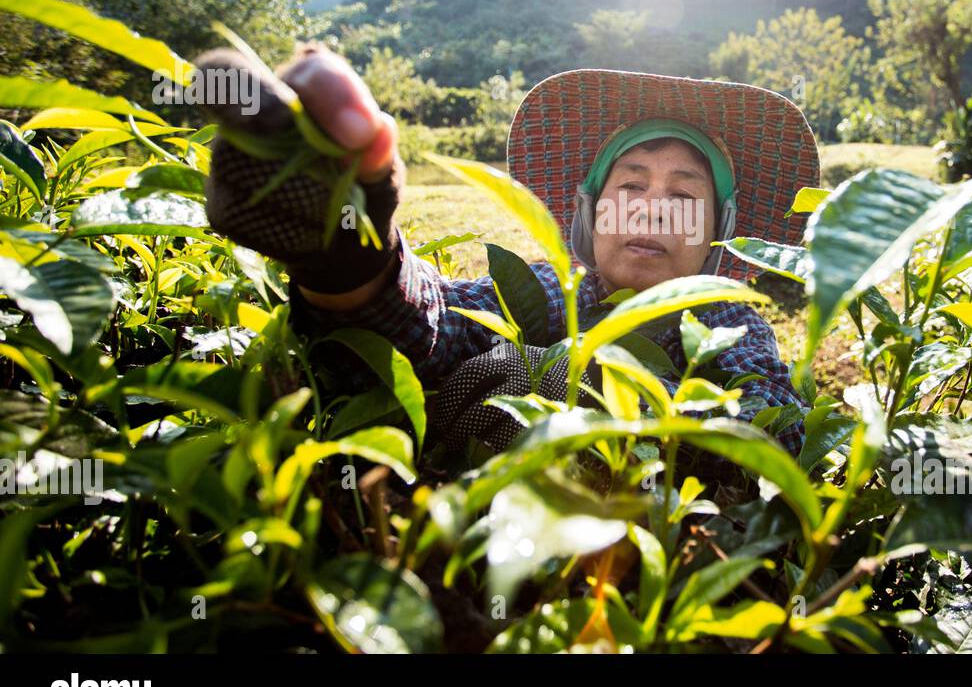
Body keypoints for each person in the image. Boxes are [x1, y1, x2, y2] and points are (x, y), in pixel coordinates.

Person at [195, 44, 820, 462]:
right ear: (589, 213)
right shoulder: (551, 294)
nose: (653, 207)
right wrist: (350, 262)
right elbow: (437, 327)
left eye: (684, 194)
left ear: (719, 230)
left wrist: (603, 390)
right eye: (630, 185)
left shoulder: (724, 325)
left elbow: (775, 427)